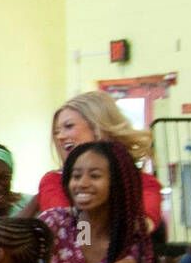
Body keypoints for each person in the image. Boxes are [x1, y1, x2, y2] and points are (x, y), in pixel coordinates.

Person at [26, 91, 163, 238]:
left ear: (98, 126)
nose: (60, 136)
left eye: (69, 126)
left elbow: (143, 225)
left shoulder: (143, 182)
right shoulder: (54, 181)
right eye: (57, 131)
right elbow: (78, 234)